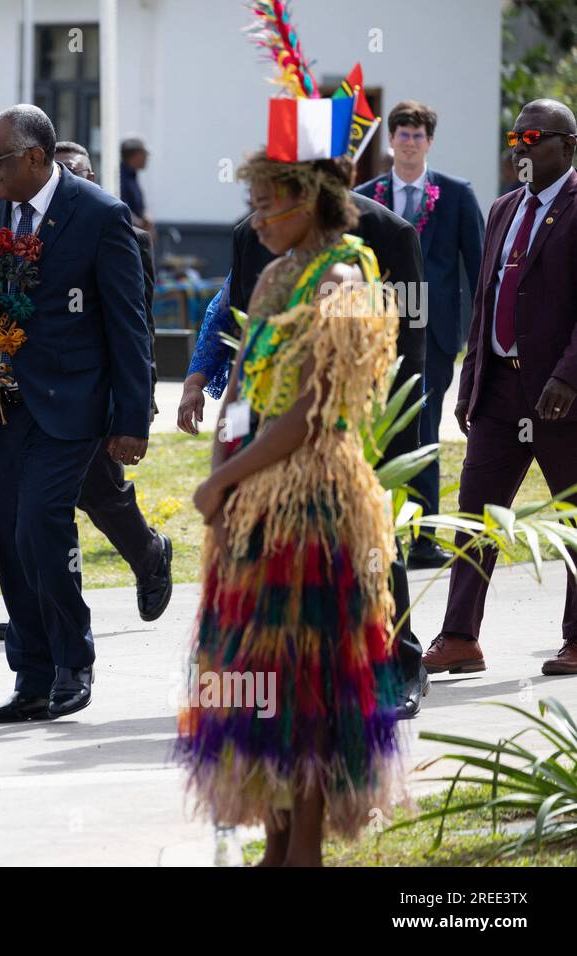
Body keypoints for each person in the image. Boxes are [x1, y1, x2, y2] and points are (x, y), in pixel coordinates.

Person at [179, 148, 403, 867]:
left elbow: (310, 414)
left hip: (313, 506)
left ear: (308, 201)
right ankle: (274, 842)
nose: (256, 218)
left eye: (268, 203)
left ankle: (303, 846)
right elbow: (243, 389)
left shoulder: (346, 283)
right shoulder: (275, 275)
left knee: (308, 680)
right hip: (252, 507)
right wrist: (222, 470)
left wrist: (223, 481)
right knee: (257, 681)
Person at [0, 105, 152, 722]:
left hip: (73, 405)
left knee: (40, 523)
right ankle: (30, 677)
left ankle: (71, 662)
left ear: (36, 157)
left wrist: (132, 417)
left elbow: (127, 323)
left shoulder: (100, 215)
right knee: (6, 535)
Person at [0, 141, 171, 644]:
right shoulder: (15, 228)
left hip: (96, 395)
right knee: (38, 506)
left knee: (98, 495)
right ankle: (41, 609)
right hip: (32, 396)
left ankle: (150, 554)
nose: (72, 180)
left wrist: (137, 401)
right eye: (64, 172)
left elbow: (136, 324)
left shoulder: (123, 232)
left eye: (80, 173)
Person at [424, 98, 577, 678]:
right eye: (515, 137)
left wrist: (568, 375)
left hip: (562, 396)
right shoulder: (503, 209)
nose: (520, 147)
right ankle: (460, 637)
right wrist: (470, 382)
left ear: (567, 145)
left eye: (533, 136)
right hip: (498, 392)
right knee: (475, 519)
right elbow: (484, 300)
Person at [356, 100, 485, 568]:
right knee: (379, 430)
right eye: (402, 134)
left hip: (432, 336)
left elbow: (480, 267)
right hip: (374, 335)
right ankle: (381, 530)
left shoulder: (456, 194)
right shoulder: (366, 194)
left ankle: (425, 537)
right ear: (390, 140)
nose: (409, 142)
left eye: (418, 135)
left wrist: (476, 332)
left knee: (423, 429)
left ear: (429, 142)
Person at [119, 137, 151, 232]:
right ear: (135, 155)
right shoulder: (121, 176)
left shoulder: (132, 175)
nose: (147, 158)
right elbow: (121, 206)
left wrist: (146, 216)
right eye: (145, 154)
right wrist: (141, 225)